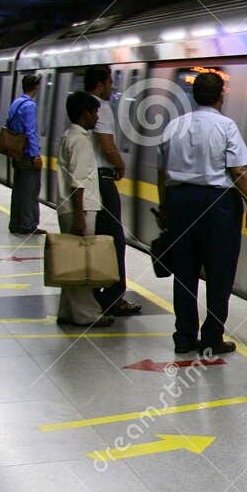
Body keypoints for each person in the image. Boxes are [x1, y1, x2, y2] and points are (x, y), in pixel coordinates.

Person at [157, 67, 247, 355]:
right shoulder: (226, 126)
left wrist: (165, 206)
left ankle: (184, 336)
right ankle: (212, 337)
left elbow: (162, 172)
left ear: (193, 95)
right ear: (221, 97)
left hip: (180, 202)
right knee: (219, 273)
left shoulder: (173, 126)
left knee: (184, 272)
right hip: (218, 206)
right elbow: (238, 170)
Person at [85, 64, 142, 317]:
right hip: (102, 178)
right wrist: (120, 165)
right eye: (110, 82)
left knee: (98, 237)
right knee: (113, 241)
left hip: (89, 178)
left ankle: (94, 290)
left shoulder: (79, 106)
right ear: (99, 84)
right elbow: (107, 146)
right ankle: (113, 297)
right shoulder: (100, 108)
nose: (113, 86)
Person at [55, 92, 112, 329]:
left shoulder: (69, 136)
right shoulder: (81, 141)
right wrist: (80, 216)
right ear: (84, 113)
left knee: (71, 262)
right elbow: (78, 182)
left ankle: (67, 310)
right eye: (94, 112)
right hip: (81, 209)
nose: (96, 117)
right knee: (82, 264)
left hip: (69, 207)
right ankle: (86, 314)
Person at [5, 73, 44, 235]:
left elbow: (9, 124)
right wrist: (35, 155)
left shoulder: (16, 103)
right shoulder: (30, 105)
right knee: (30, 190)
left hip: (17, 152)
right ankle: (28, 225)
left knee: (19, 189)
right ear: (35, 87)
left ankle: (15, 223)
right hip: (28, 154)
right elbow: (31, 131)